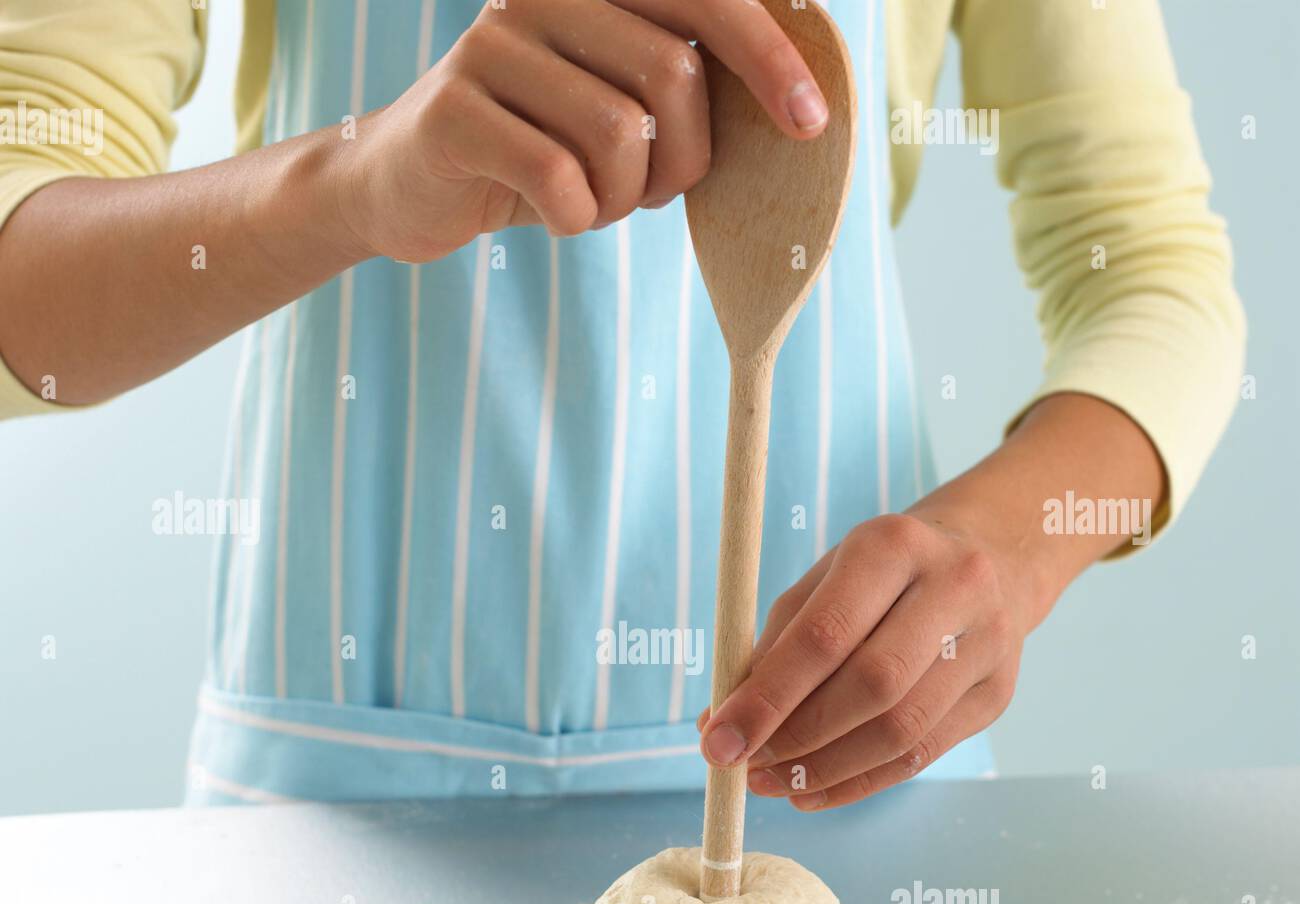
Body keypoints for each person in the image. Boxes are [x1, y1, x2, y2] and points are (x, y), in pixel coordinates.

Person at [0, 0, 1244, 808]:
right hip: (339, 808)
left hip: (842, 785)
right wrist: (353, 181)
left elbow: (1150, 267)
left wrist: (1011, 546)